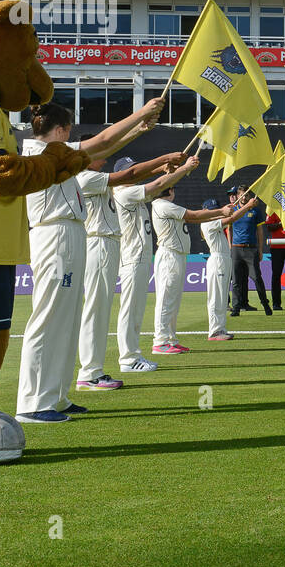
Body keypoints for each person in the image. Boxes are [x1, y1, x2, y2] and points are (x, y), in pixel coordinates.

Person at [16, 97, 162, 423]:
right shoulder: (40, 152)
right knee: (48, 317)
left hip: (69, 233)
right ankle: (31, 401)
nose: (71, 138)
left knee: (67, 319)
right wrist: (141, 113)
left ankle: (56, 396)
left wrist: (138, 129)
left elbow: (99, 151)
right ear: (60, 130)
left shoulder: (59, 155)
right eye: (68, 131)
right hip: (52, 234)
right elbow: (102, 142)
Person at [75, 151, 184, 391]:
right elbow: (139, 178)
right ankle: (113, 363)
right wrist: (176, 166)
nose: (102, 161)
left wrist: (162, 168)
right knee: (107, 308)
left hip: (115, 247)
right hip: (107, 246)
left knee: (110, 309)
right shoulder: (115, 188)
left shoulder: (113, 186)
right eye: (98, 156)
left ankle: (104, 366)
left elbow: (141, 176)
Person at [115, 153, 194, 374]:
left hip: (140, 258)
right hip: (132, 257)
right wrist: (184, 168)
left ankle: (133, 355)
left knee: (137, 308)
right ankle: (128, 358)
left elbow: (157, 183)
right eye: (131, 170)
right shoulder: (125, 193)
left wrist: (164, 169)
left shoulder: (132, 193)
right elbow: (157, 185)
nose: (135, 172)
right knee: (130, 309)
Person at [150, 180, 232, 355]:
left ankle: (170, 339)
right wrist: (221, 211)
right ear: (170, 190)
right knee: (166, 300)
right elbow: (194, 215)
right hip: (169, 254)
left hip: (176, 255)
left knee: (173, 300)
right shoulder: (163, 205)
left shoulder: (164, 205)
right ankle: (160, 341)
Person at [201, 194, 259, 341]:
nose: (216, 213)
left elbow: (231, 216)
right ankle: (214, 331)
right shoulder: (207, 223)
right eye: (212, 210)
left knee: (221, 298)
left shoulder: (216, 222)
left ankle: (220, 329)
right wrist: (247, 206)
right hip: (217, 260)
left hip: (224, 259)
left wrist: (236, 206)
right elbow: (231, 219)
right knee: (216, 297)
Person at [228, 184, 273, 318]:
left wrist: (260, 250)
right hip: (236, 249)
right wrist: (231, 246)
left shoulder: (256, 211)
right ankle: (236, 308)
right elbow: (228, 229)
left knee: (257, 278)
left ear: (249, 196)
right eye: (241, 194)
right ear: (237, 196)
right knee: (236, 281)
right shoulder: (233, 209)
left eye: (246, 194)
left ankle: (265, 304)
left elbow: (260, 232)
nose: (244, 197)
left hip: (250, 249)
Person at [264, 207, 285, 311]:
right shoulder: (273, 207)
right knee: (276, 276)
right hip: (277, 246)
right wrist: (283, 223)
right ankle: (276, 304)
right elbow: (269, 227)